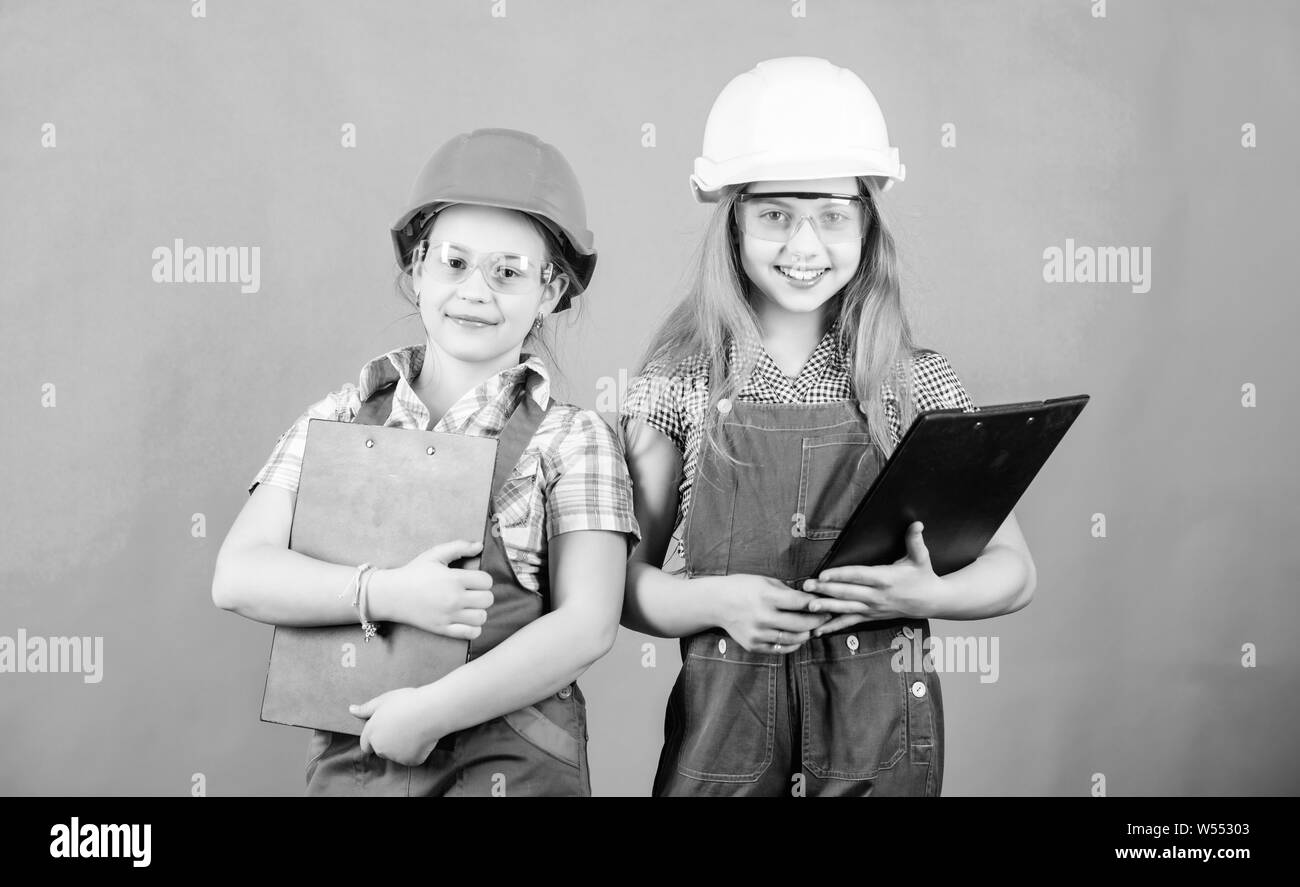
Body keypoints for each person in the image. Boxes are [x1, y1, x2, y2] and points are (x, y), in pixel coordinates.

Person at [618, 57, 1037, 797]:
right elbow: (623, 587)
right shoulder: (676, 383)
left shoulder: (915, 383)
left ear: (866, 224)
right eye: (775, 214)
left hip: (882, 756)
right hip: (725, 755)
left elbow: (1015, 573)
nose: (803, 247)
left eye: (832, 216)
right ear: (735, 221)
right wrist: (716, 603)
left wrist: (920, 596)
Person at [212, 128, 639, 796]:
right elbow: (238, 574)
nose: (475, 289)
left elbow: (587, 623)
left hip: (509, 768)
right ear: (416, 270)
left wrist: (430, 712)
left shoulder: (573, 440)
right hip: (354, 765)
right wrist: (387, 592)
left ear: (551, 290)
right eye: (454, 262)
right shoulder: (339, 416)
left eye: (508, 271)